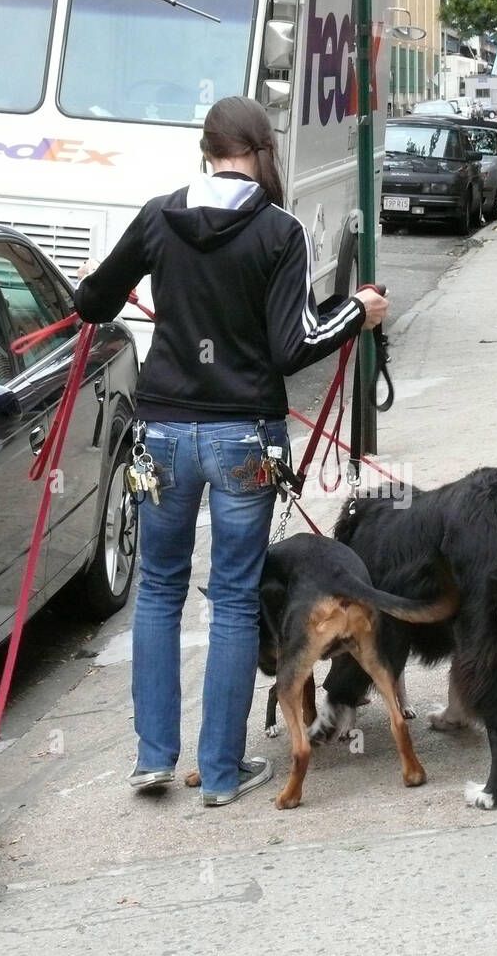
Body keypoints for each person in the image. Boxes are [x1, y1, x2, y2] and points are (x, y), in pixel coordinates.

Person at [73, 96, 388, 807]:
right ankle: (220, 772)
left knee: (157, 589)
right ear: (264, 151)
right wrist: (356, 314)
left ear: (205, 150)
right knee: (234, 597)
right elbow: (292, 344)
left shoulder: (159, 216)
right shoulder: (279, 231)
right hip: (244, 436)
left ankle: (153, 758)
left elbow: (93, 301)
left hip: (162, 434)